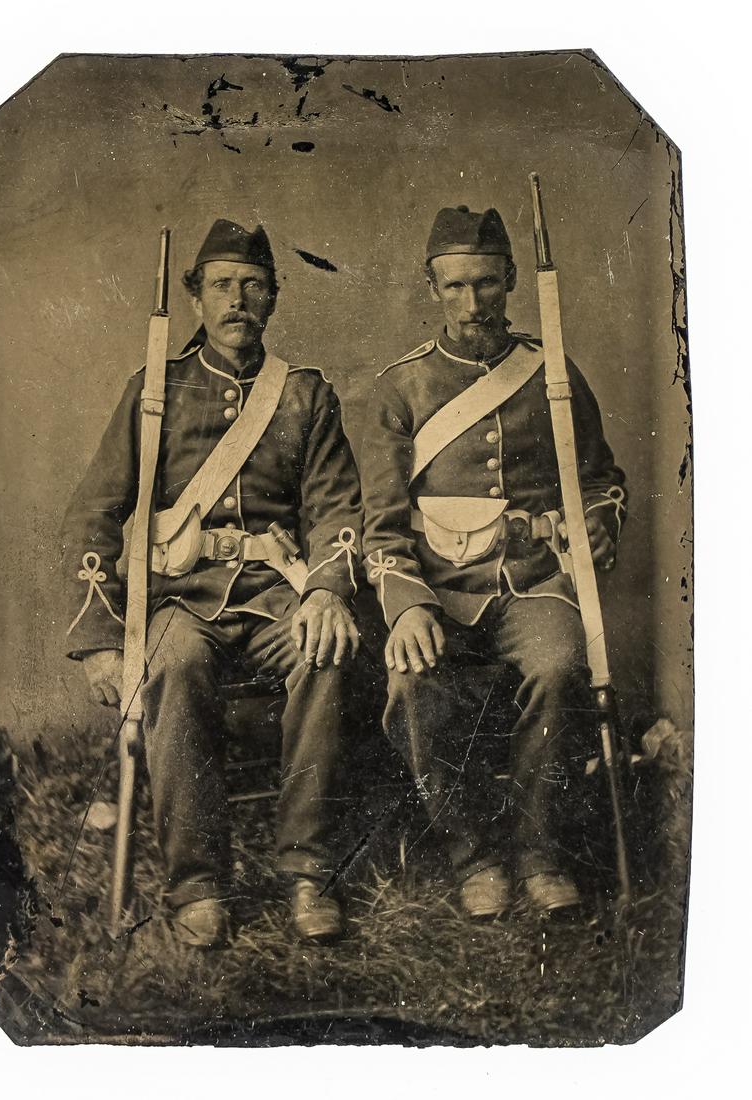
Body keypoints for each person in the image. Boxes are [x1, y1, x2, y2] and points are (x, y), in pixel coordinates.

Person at [62, 219, 362, 947]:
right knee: (175, 664)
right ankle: (198, 885)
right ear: (196, 296)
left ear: (273, 298)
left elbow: (335, 507)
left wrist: (324, 591)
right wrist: (101, 641)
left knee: (322, 652)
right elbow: (93, 515)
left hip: (273, 591)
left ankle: (308, 871)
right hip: (179, 599)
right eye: (223, 285)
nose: (239, 300)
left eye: (254, 285)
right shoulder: (155, 392)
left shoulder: (304, 395)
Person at [359, 204, 627, 917]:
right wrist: (407, 605)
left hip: (534, 582)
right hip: (439, 588)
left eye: (484, 284)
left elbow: (601, 479)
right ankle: (471, 853)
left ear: (509, 280)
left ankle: (540, 853)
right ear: (430, 288)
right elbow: (378, 524)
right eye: (453, 287)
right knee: (414, 684)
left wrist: (599, 521)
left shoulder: (551, 371)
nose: (471, 303)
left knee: (559, 667)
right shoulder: (400, 387)